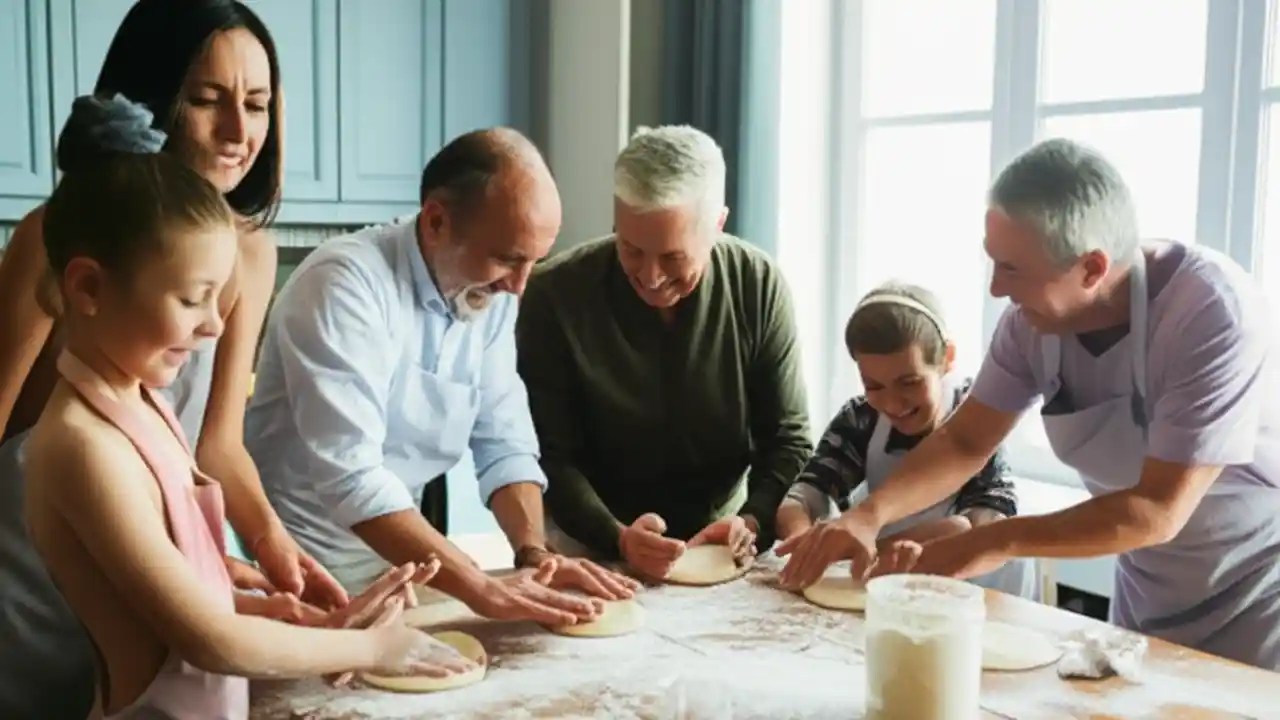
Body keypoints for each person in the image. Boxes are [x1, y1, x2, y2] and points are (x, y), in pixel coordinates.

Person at [24, 92, 474, 720]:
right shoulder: (78, 444)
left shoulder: (141, 405)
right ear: (90, 287)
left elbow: (168, 600)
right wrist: (373, 647)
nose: (213, 325)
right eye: (193, 299)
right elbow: (206, 639)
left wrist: (293, 614)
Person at [778, 138, 1280, 669]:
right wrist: (867, 516)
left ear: (1091, 268)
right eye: (994, 263)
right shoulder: (1029, 326)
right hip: (1147, 588)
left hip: (1256, 592)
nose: (996, 288)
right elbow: (967, 439)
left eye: (1013, 269)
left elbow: (1157, 508)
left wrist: (996, 540)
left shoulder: (1210, 315)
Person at [0, 3, 344, 717]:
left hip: (147, 573)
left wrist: (273, 545)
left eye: (256, 104)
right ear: (155, 99)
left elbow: (215, 445)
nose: (239, 132)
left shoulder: (250, 252)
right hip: (30, 581)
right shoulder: (55, 236)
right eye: (206, 100)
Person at [245, 127, 640, 624]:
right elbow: (353, 478)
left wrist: (533, 555)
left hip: (404, 567)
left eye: (532, 263)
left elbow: (504, 440)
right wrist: (479, 587)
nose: (519, 287)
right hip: (299, 573)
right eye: (508, 259)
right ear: (436, 221)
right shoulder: (345, 286)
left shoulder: (490, 295)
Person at [516, 125, 812, 580]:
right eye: (630, 249)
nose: (650, 277)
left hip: (725, 542)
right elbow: (549, 455)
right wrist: (616, 536)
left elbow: (787, 439)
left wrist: (751, 522)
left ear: (717, 224)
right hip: (588, 545)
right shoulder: (552, 296)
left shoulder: (759, 284)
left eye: (673, 257)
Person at [774, 282, 1037, 598]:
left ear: (946, 358)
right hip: (896, 587)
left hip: (982, 591)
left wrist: (865, 545)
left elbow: (981, 523)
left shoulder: (979, 412)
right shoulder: (861, 420)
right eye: (873, 386)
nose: (893, 403)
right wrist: (805, 541)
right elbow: (804, 495)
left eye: (909, 383)